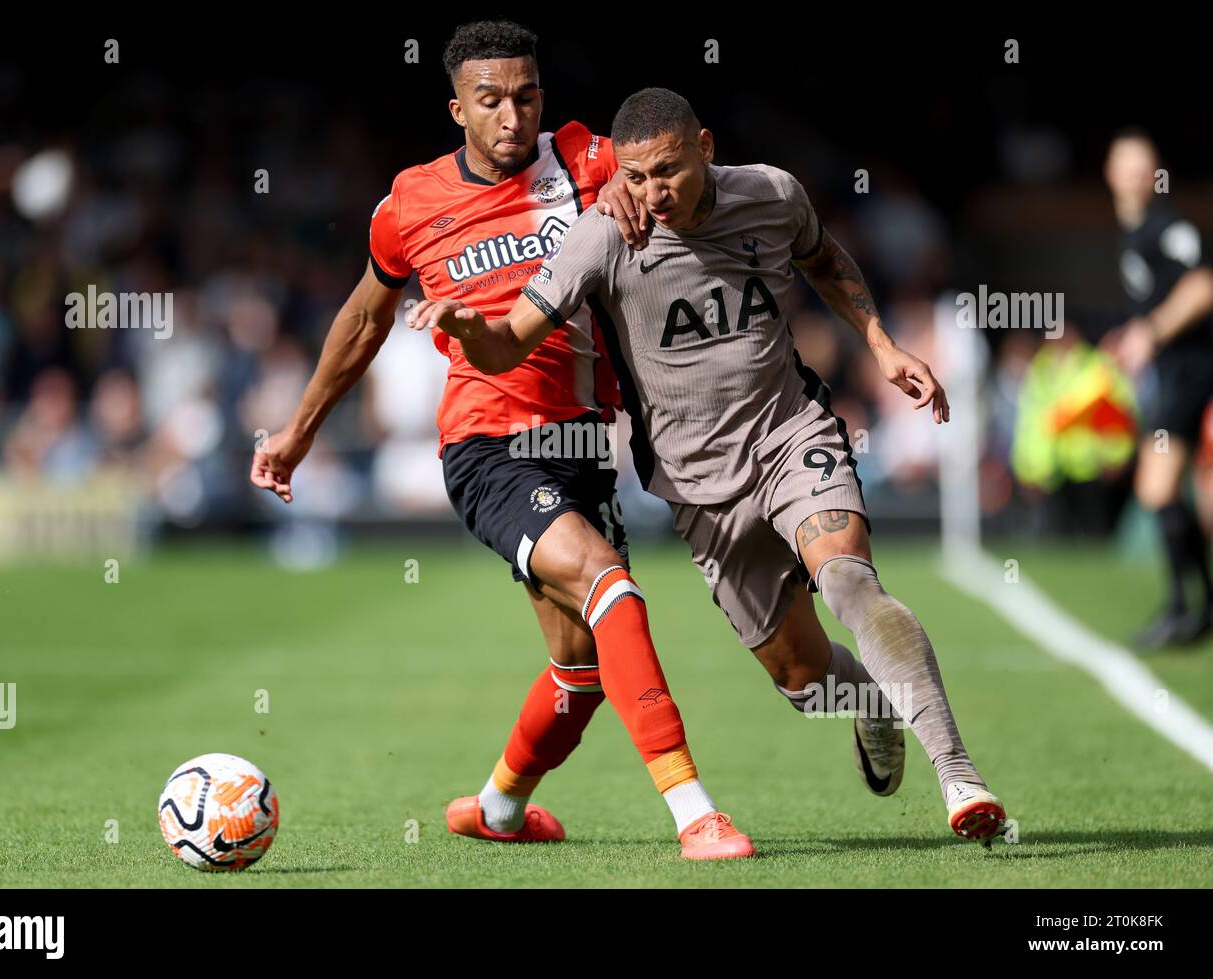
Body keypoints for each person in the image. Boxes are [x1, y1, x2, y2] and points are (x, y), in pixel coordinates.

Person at [410, 87, 1007, 844]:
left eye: (667, 171)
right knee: (800, 676)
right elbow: (509, 342)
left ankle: (960, 776)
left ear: (706, 146)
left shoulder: (771, 193)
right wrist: (469, 327)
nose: (653, 193)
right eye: (634, 177)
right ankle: (868, 702)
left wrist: (882, 342)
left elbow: (823, 256)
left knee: (849, 579)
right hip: (700, 490)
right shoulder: (601, 238)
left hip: (790, 434)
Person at [251, 25, 753, 860]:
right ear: (458, 109)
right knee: (611, 584)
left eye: (525, 96)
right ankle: (694, 810)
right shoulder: (409, 203)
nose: (512, 115)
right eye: (490, 100)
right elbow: (363, 318)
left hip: (588, 443)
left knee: (583, 671)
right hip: (489, 443)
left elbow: (677, 183)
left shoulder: (588, 160)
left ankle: (498, 806)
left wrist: (632, 187)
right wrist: (299, 433)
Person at [1102, 129, 1213, 648]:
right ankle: (1197, 605)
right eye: (1125, 165)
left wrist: (1152, 332)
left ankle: (1181, 607)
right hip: (1175, 373)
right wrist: (1131, 337)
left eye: (1142, 166)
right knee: (1172, 490)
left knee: (1157, 486)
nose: (1134, 175)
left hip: (1194, 371)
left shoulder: (1168, 228)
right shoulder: (1135, 233)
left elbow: (1202, 286)